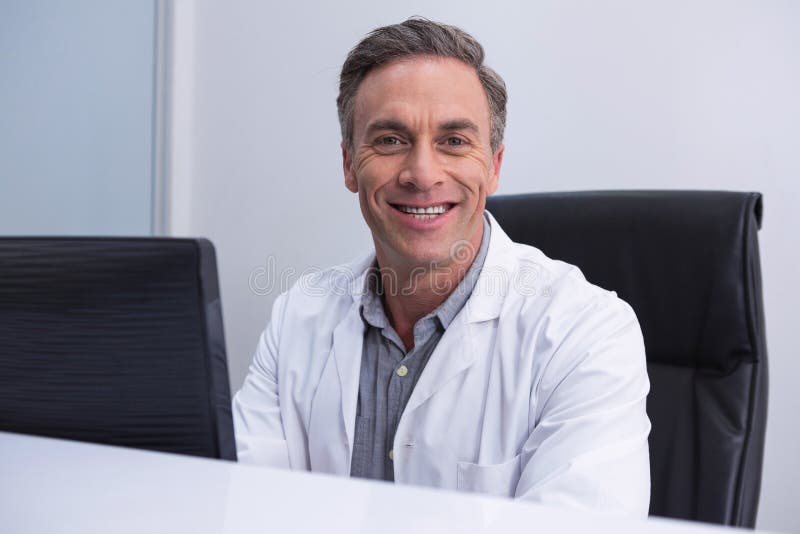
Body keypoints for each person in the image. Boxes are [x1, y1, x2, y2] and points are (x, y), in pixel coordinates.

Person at [233, 17, 651, 516]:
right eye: (390, 140)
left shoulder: (586, 334)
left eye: (454, 141)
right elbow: (241, 511)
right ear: (349, 164)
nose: (423, 174)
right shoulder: (296, 318)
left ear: (494, 165)